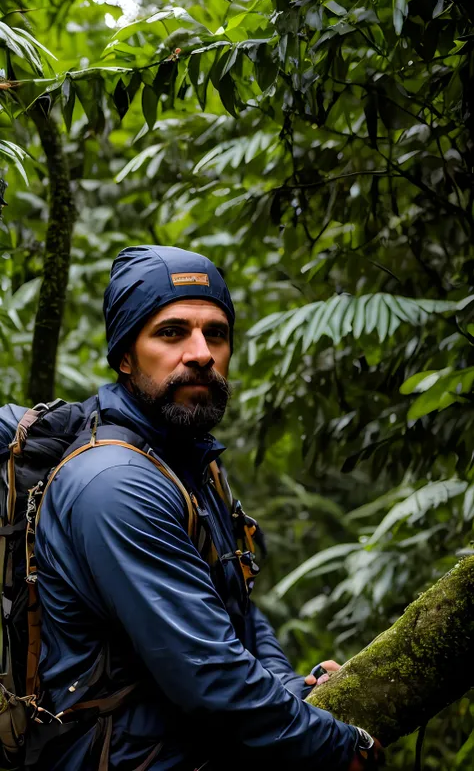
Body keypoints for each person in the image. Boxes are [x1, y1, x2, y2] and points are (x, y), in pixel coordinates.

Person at [0, 245, 382, 770]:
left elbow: (235, 607)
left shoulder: (188, 458)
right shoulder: (116, 482)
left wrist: (291, 687)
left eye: (216, 334)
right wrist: (337, 744)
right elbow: (208, 675)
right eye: (172, 332)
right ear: (125, 357)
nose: (201, 353)